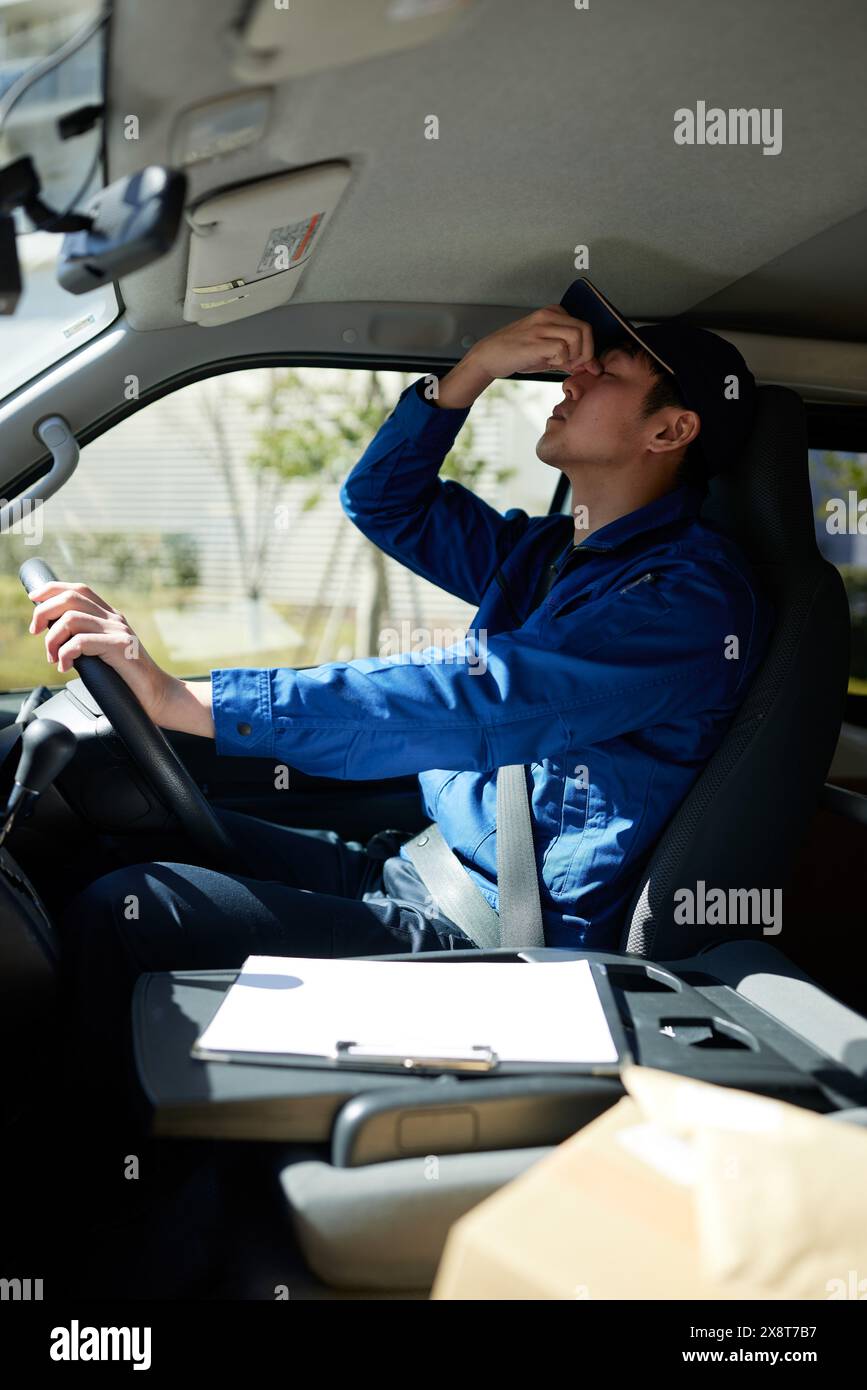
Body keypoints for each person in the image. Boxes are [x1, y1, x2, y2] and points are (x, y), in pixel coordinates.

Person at [29, 279, 774, 1044]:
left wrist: (188, 700)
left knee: (134, 908)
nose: (571, 378)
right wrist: (474, 370)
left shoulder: (688, 601)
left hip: (499, 940)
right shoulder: (551, 552)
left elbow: (476, 699)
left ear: (669, 430)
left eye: (607, 372)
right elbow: (386, 503)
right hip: (417, 870)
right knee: (119, 834)